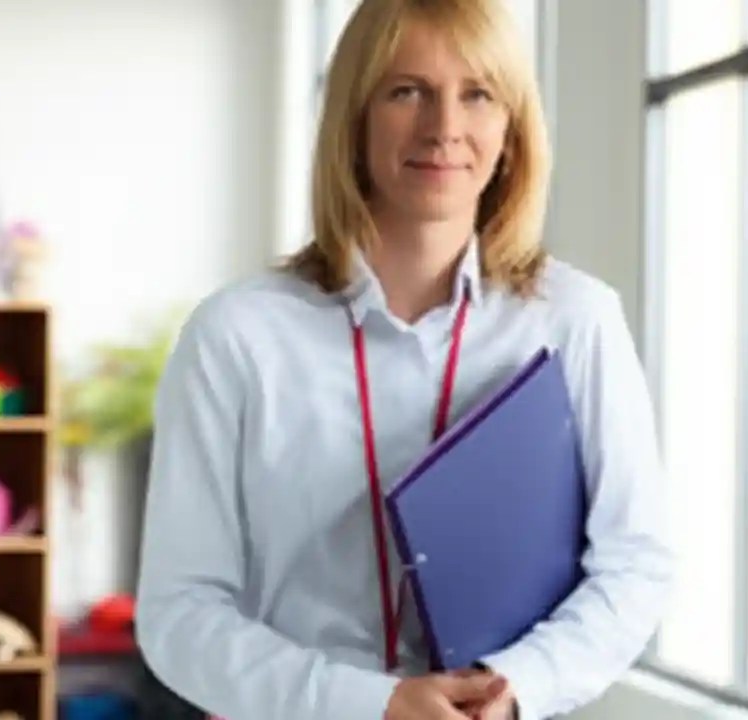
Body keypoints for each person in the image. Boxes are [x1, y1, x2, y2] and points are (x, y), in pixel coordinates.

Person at [132, 0, 674, 718]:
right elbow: (179, 612)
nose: (444, 126)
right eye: (406, 91)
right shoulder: (236, 336)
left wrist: (515, 687)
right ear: (354, 120)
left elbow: (635, 565)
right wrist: (372, 705)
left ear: (510, 129)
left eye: (477, 94)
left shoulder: (576, 321)